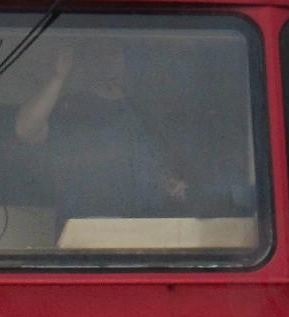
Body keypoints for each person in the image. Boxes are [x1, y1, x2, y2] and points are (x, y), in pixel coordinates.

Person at [15, 46, 188, 214]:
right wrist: (58, 78)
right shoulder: (70, 108)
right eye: (100, 53)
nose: (108, 61)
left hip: (143, 232)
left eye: (115, 52)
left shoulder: (145, 114)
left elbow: (158, 175)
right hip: (84, 234)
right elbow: (26, 130)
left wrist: (170, 186)